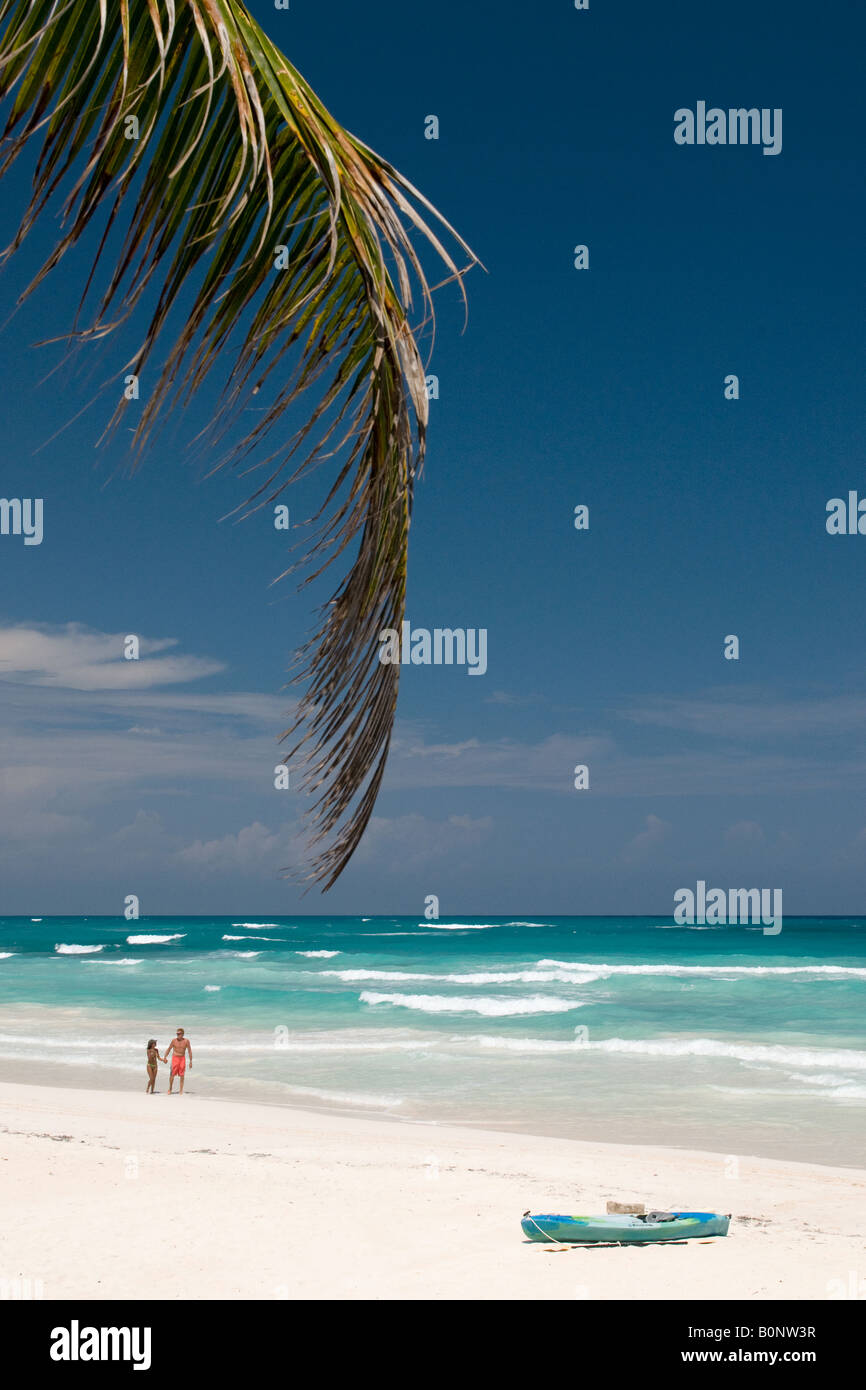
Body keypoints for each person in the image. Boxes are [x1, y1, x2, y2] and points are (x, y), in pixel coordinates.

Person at [163, 1028, 192, 1095]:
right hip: (175, 1058)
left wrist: (190, 1061)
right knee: (172, 1074)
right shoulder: (174, 1041)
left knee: (182, 1075)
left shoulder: (186, 1041)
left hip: (182, 1058)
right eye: (177, 1034)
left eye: (179, 1034)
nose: (177, 1035)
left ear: (182, 1034)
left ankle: (181, 1090)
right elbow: (169, 1049)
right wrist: (165, 1057)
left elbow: (189, 1051)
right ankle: (170, 1089)